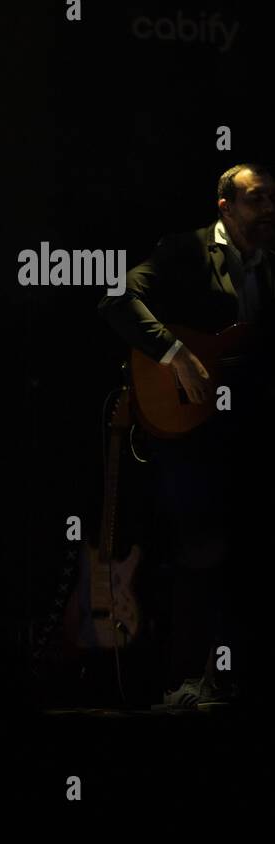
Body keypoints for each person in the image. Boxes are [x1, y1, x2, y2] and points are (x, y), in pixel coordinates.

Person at [98, 163, 275, 706]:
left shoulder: (270, 265)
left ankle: (239, 680)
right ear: (225, 205)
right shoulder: (185, 250)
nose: (268, 210)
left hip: (253, 429)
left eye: (272, 200)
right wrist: (176, 356)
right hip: (195, 427)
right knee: (201, 549)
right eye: (256, 199)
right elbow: (116, 297)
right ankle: (188, 680)